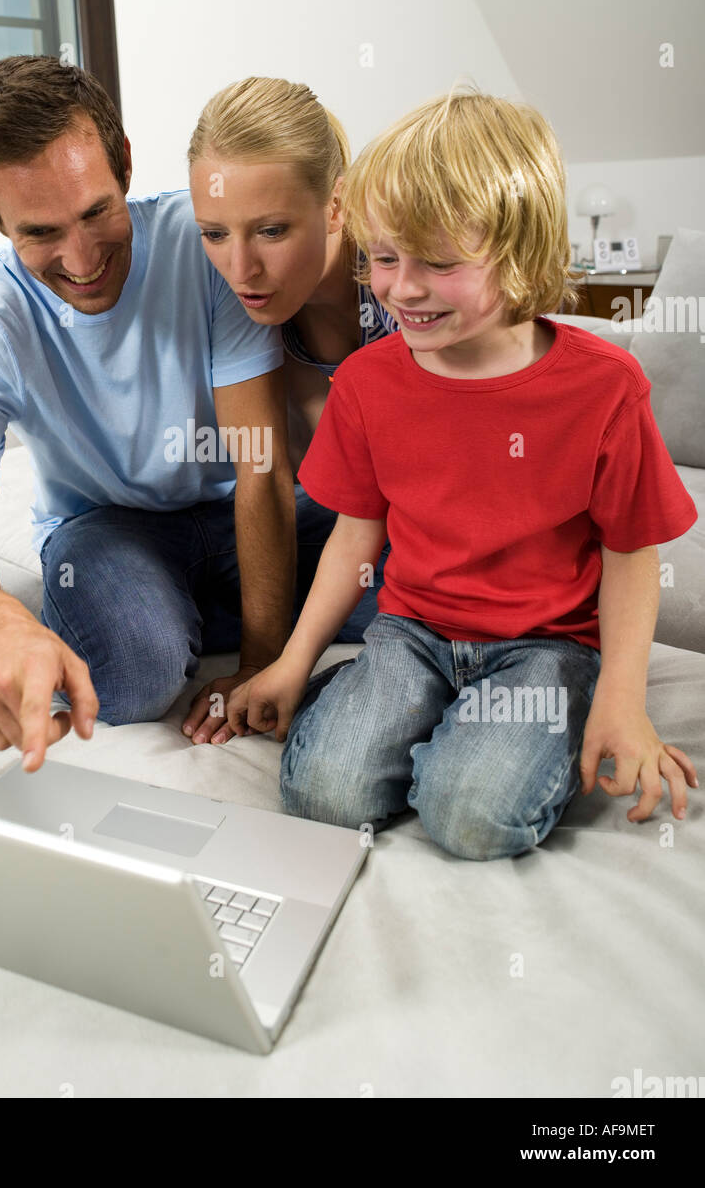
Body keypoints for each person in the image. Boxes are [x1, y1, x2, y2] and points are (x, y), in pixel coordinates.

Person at [223, 87, 699, 859]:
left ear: (520, 253)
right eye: (382, 258)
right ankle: (369, 707)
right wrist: (292, 661)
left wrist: (621, 698)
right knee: (323, 795)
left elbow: (631, 550)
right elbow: (354, 538)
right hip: (411, 632)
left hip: (548, 646)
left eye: (438, 263)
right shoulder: (369, 383)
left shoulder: (605, 387)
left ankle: (531, 727)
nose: (402, 289)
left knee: (470, 817)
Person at [0, 57, 361, 769]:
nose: (83, 257)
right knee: (135, 675)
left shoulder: (207, 239)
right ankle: (154, 607)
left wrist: (262, 660)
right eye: (40, 233)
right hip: (111, 530)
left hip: (255, 509)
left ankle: (199, 610)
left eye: (96, 212)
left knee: (428, 587)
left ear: (123, 163)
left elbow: (261, 470)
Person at [183, 76, 395, 743]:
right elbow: (263, 475)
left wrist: (279, 654)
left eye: (271, 231)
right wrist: (258, 661)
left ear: (335, 207)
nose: (240, 267)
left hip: (418, 530)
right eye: (215, 234)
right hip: (325, 523)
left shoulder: (405, 289)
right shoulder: (241, 305)